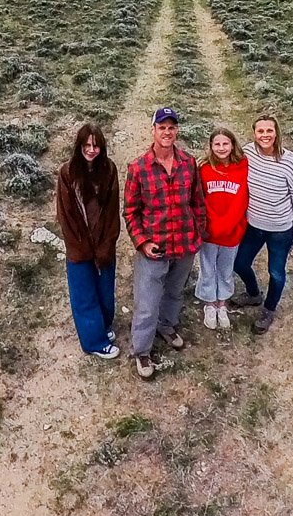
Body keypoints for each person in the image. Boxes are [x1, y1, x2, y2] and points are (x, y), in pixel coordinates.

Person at [124, 107, 206, 379]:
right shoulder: (138, 168)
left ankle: (167, 326)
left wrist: (199, 232)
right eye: (162, 127)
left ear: (177, 131)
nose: (167, 132)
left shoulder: (188, 163)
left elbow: (197, 202)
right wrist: (141, 242)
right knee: (147, 302)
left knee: (174, 292)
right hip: (154, 248)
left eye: (171, 127)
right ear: (153, 130)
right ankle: (142, 349)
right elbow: (131, 212)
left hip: (184, 244)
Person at [233, 114, 293, 334]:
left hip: (281, 229)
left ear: (276, 133)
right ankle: (254, 294)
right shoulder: (247, 153)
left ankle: (269, 309)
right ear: (254, 133)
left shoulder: (289, 160)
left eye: (269, 131)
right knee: (240, 263)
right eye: (260, 131)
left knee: (276, 272)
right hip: (254, 224)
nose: (265, 135)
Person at [56, 122, 121, 360]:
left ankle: (102, 326)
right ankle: (94, 342)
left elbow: (113, 210)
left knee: (105, 291)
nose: (91, 150)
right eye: (87, 145)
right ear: (79, 146)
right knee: (84, 295)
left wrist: (106, 244)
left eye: (96, 145)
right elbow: (65, 215)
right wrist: (81, 248)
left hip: (104, 245)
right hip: (79, 248)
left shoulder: (109, 169)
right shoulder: (68, 172)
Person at [195, 128, 249, 330]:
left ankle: (222, 304)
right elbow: (201, 200)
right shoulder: (204, 168)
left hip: (232, 231)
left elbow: (241, 200)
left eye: (225, 144)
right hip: (209, 231)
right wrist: (210, 225)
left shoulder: (242, 168)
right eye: (217, 144)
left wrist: (229, 225)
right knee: (208, 267)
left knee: (226, 269)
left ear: (233, 145)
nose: (221, 148)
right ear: (210, 147)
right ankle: (209, 304)